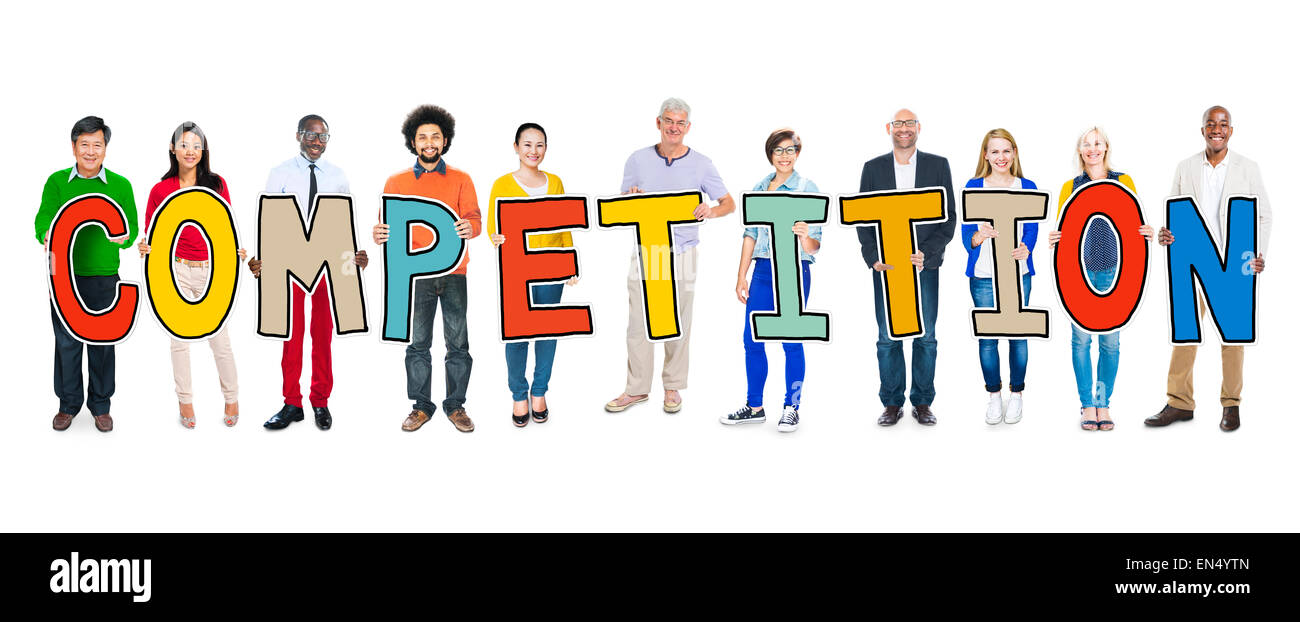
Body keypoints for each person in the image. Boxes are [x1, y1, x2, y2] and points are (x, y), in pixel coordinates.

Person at [604, 97, 735, 415]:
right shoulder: (637, 160)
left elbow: (729, 203)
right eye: (669, 121)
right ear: (658, 122)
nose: (674, 127)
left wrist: (711, 211)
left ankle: (673, 386)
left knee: (679, 321)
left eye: (680, 123)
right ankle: (636, 390)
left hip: (684, 252)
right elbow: (623, 203)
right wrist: (630, 197)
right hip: (647, 251)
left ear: (687, 127)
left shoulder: (702, 163)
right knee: (638, 323)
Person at [1147, 106, 1272, 432]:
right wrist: (1165, 233)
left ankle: (1231, 406)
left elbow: (1265, 214)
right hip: (1194, 264)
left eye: (1223, 124)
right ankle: (1179, 403)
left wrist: (1259, 253)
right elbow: (1174, 208)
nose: (1217, 129)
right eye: (1211, 124)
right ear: (1202, 130)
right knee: (1185, 335)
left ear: (1231, 130)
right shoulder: (1186, 167)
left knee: (1233, 339)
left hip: (1231, 265)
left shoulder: (1248, 167)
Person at [248, 114, 367, 431]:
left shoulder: (338, 175)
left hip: (327, 266)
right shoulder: (280, 173)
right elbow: (269, 219)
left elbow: (343, 222)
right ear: (298, 135)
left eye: (323, 136)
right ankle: (291, 403)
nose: (317, 142)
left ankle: (320, 402)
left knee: (322, 335)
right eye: (311, 135)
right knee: (291, 335)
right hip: (289, 261)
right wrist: (262, 260)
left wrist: (354, 258)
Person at [373, 105, 481, 434]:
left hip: (453, 273)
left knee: (457, 342)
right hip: (415, 276)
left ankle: (456, 405)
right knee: (418, 342)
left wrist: (470, 227)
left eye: (435, 136)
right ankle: (421, 406)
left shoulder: (462, 179)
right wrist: (378, 233)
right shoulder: (396, 181)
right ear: (413, 142)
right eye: (422, 137)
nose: (429, 142)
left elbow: (475, 219)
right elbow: (386, 225)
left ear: (445, 140)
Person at [137, 122, 249, 428]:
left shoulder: (216, 183)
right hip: (176, 269)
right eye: (184, 145)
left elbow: (227, 226)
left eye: (197, 146)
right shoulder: (161, 189)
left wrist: (237, 251)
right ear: (173, 149)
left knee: (220, 339)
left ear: (204, 151)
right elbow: (151, 232)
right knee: (179, 341)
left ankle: (232, 397)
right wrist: (144, 246)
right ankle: (185, 402)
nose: (191, 151)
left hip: (212, 269)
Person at [1046, 127, 1153, 431]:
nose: (1092, 148)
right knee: (1080, 341)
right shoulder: (1071, 186)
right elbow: (1063, 227)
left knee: (1110, 343)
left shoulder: (1124, 182)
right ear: (1080, 150)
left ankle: (1103, 404)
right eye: (1086, 144)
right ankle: (1086, 405)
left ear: (1106, 147)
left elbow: (1136, 223)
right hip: (1079, 271)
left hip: (1116, 272)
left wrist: (1147, 231)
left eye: (1097, 143)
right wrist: (1054, 237)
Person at [36, 116, 138, 433]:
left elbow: (132, 229)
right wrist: (47, 237)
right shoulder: (57, 182)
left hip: (104, 275)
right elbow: (42, 222)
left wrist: (125, 237)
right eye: (84, 145)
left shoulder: (120, 185)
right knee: (66, 341)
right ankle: (67, 405)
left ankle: (101, 406)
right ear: (73, 147)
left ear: (105, 149)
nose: (90, 152)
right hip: (63, 276)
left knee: (103, 341)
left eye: (97, 145)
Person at [856, 109, 956, 427]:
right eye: (898, 123)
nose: (903, 129)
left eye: (909, 123)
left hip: (923, 267)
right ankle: (891, 403)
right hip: (887, 268)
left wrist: (927, 252)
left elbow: (949, 216)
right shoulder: (873, 169)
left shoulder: (938, 166)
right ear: (889, 128)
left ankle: (923, 402)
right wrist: (872, 255)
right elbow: (862, 216)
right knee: (888, 338)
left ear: (918, 128)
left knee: (926, 337)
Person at [720, 128, 821, 432]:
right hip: (762, 271)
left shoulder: (806, 187)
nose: (784, 156)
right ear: (770, 155)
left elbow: (816, 245)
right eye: (778, 150)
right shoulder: (760, 187)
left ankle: (792, 407)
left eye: (790, 150)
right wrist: (741, 275)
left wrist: (805, 237)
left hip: (793, 269)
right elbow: (750, 235)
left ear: (798, 154)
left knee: (791, 339)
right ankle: (755, 406)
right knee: (752, 339)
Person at [487, 123, 577, 427]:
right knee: (518, 334)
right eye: (527, 145)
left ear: (546, 149)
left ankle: (540, 392)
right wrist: (496, 238)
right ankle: (518, 394)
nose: (533, 151)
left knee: (548, 331)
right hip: (517, 270)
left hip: (551, 269)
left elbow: (565, 223)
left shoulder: (556, 182)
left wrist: (570, 263)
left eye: (539, 145)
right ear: (516, 147)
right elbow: (493, 226)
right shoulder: (501, 184)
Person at [961, 128, 1038, 426]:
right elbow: (966, 231)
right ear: (985, 155)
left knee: (1018, 336)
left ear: (1014, 153)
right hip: (983, 275)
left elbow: (1031, 227)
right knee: (988, 338)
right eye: (995, 151)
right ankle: (994, 395)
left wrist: (1026, 248)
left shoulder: (1026, 185)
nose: (1001, 157)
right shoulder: (974, 185)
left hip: (1018, 275)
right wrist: (978, 236)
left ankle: (1016, 393)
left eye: (1006, 151)